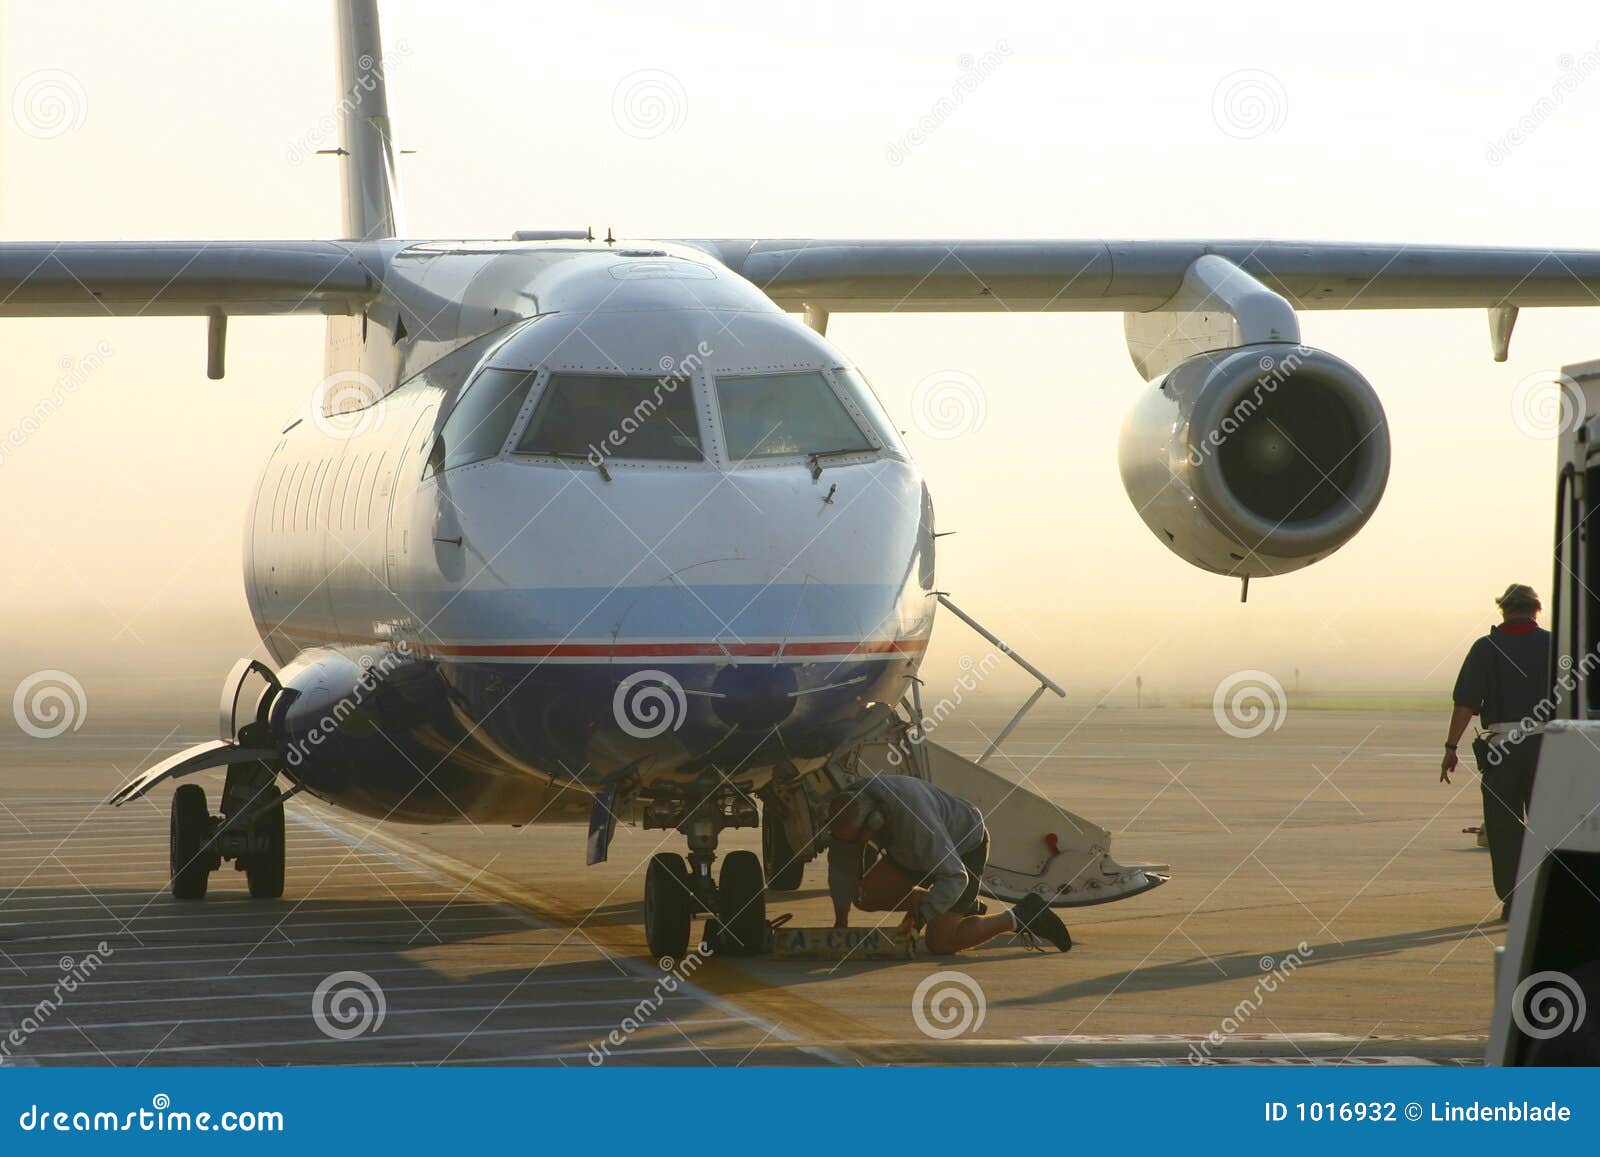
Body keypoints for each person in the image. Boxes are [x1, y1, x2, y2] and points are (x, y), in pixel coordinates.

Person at [826, 774, 1072, 953]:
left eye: (864, 838)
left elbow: (955, 876)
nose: (862, 844)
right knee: (864, 896)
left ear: (877, 820)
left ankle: (1021, 915)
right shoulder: (848, 808)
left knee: (941, 942)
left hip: (961, 852)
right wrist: (840, 923)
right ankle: (956, 905)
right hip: (909, 854)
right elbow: (842, 868)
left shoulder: (920, 827)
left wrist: (920, 918)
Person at [1440, 584, 1552, 922]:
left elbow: (1466, 705)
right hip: (1550, 748)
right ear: (1536, 609)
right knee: (1551, 827)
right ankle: (1552, 898)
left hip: (1503, 749)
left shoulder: (1485, 648)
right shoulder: (1555, 645)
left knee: (1503, 828)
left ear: (1502, 609)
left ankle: (1515, 899)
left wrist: (1451, 747)